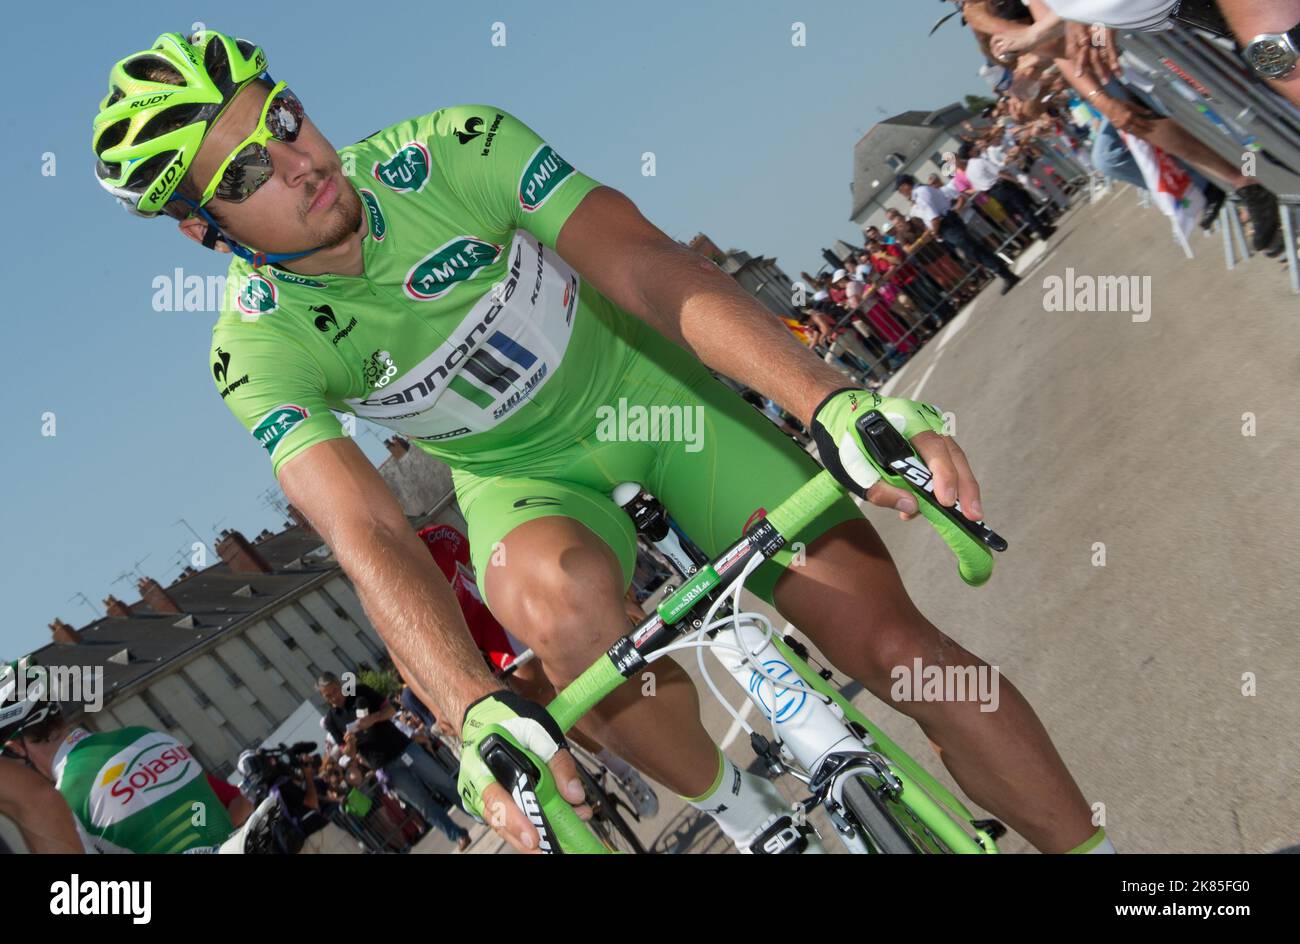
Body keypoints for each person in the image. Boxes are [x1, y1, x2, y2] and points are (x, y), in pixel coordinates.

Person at [92, 29, 1111, 855]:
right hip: (525, 484)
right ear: (203, 230)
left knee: (910, 655)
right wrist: (468, 708)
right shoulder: (253, 346)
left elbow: (645, 268)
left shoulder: (451, 147)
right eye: (246, 173)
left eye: (285, 117)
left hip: (655, 396)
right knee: (556, 600)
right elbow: (370, 536)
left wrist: (829, 400)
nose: (300, 160)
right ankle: (741, 809)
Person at [317, 672, 471, 851]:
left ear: (339, 684)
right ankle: (457, 835)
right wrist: (350, 744)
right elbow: (349, 754)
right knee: (423, 804)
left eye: (335, 691)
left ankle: (481, 814)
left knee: (444, 782)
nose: (334, 698)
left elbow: (391, 709)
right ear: (323, 697)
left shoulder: (360, 692)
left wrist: (372, 719)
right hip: (385, 765)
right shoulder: (331, 721)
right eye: (328, 696)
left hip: (404, 747)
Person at [896, 173, 1022, 295]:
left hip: (947, 225)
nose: (901, 194)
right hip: (948, 224)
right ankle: (1005, 272)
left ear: (905, 186)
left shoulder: (921, 193)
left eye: (900, 190)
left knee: (975, 251)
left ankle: (1006, 274)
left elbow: (934, 218)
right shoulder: (923, 190)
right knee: (975, 251)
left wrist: (934, 232)